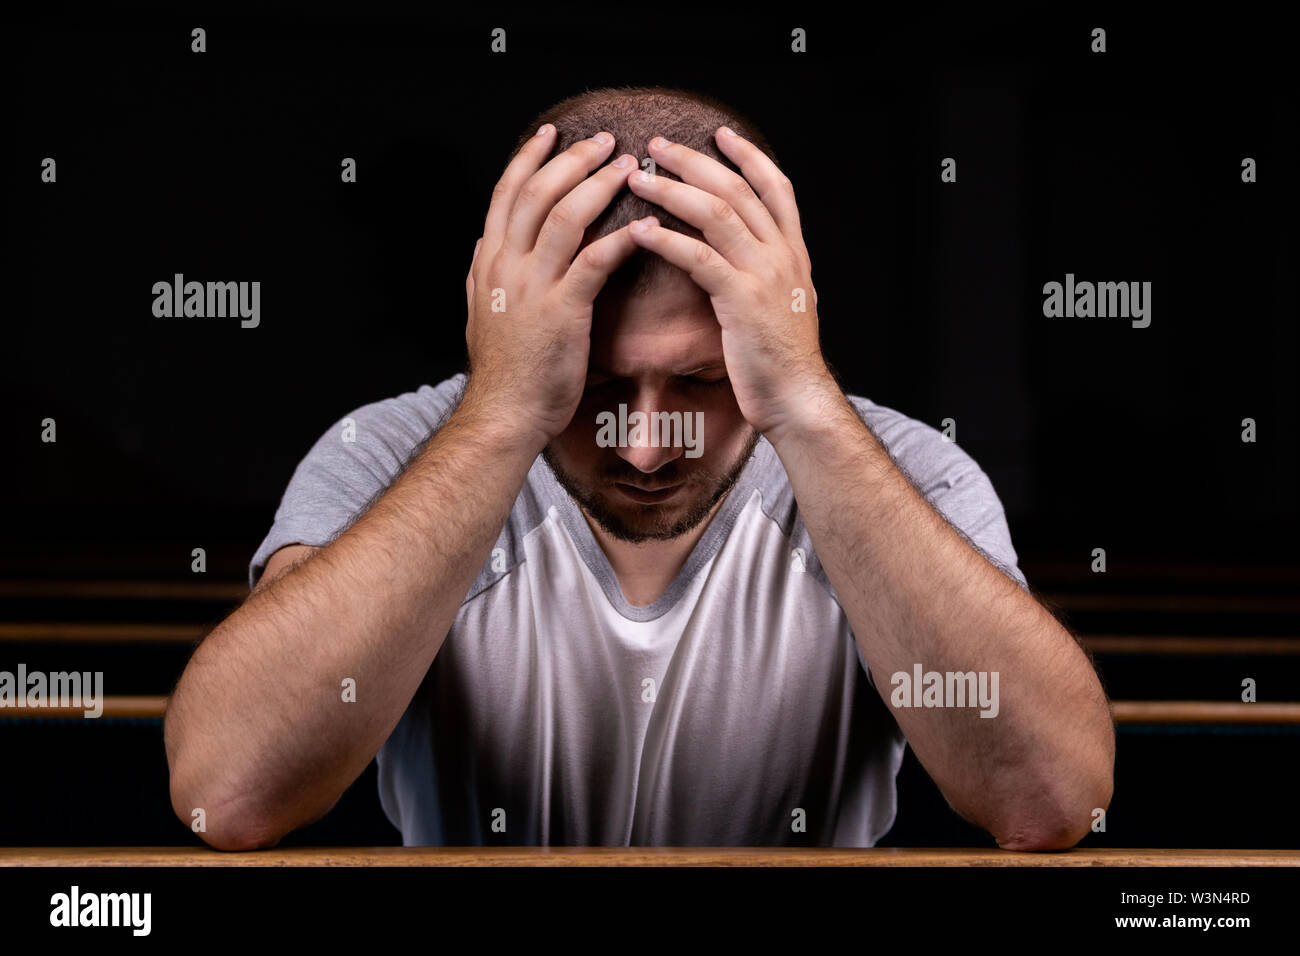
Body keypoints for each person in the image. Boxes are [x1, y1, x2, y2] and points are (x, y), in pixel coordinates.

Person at [164, 86, 1114, 850]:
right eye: (592, 384)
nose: (648, 446)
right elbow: (229, 792)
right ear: (512, 327)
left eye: (702, 379)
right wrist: (501, 412)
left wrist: (803, 402)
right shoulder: (384, 455)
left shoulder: (909, 471)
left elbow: (1051, 799)